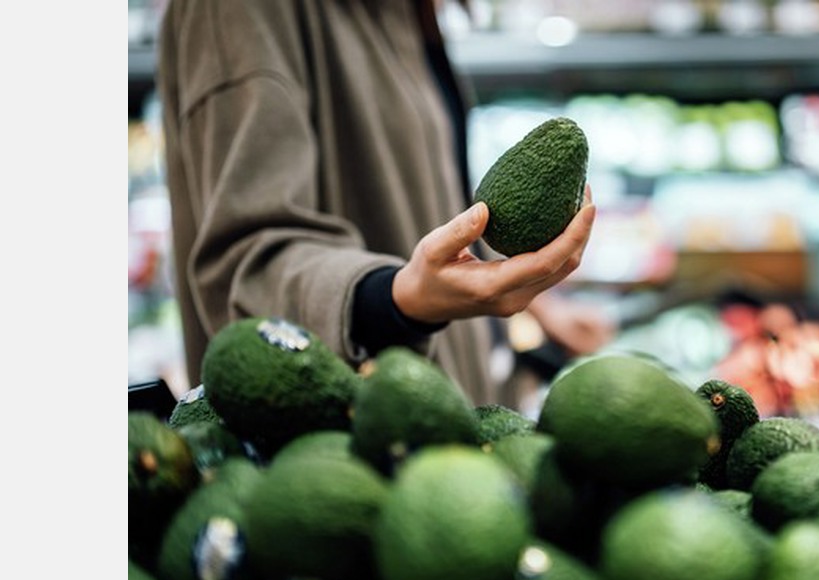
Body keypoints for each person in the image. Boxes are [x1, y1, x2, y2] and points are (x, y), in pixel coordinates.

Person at [156, 0, 615, 408]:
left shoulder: (404, 11)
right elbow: (248, 264)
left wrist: (536, 307)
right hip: (345, 457)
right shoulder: (234, 12)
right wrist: (401, 298)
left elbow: (433, 196)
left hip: (443, 417)